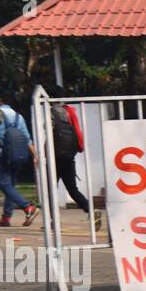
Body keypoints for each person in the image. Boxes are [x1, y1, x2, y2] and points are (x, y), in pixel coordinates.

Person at [45, 85, 99, 231]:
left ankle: (53, 221)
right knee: (72, 189)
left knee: (50, 189)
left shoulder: (51, 112)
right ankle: (90, 210)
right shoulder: (70, 111)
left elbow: (49, 133)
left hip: (55, 157)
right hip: (69, 156)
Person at [0, 92, 38, 228]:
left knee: (3, 183)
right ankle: (6, 218)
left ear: (0, 100)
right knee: (10, 185)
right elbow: (27, 138)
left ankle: (27, 207)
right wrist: (35, 155)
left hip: (1, 154)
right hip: (17, 155)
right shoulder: (18, 117)